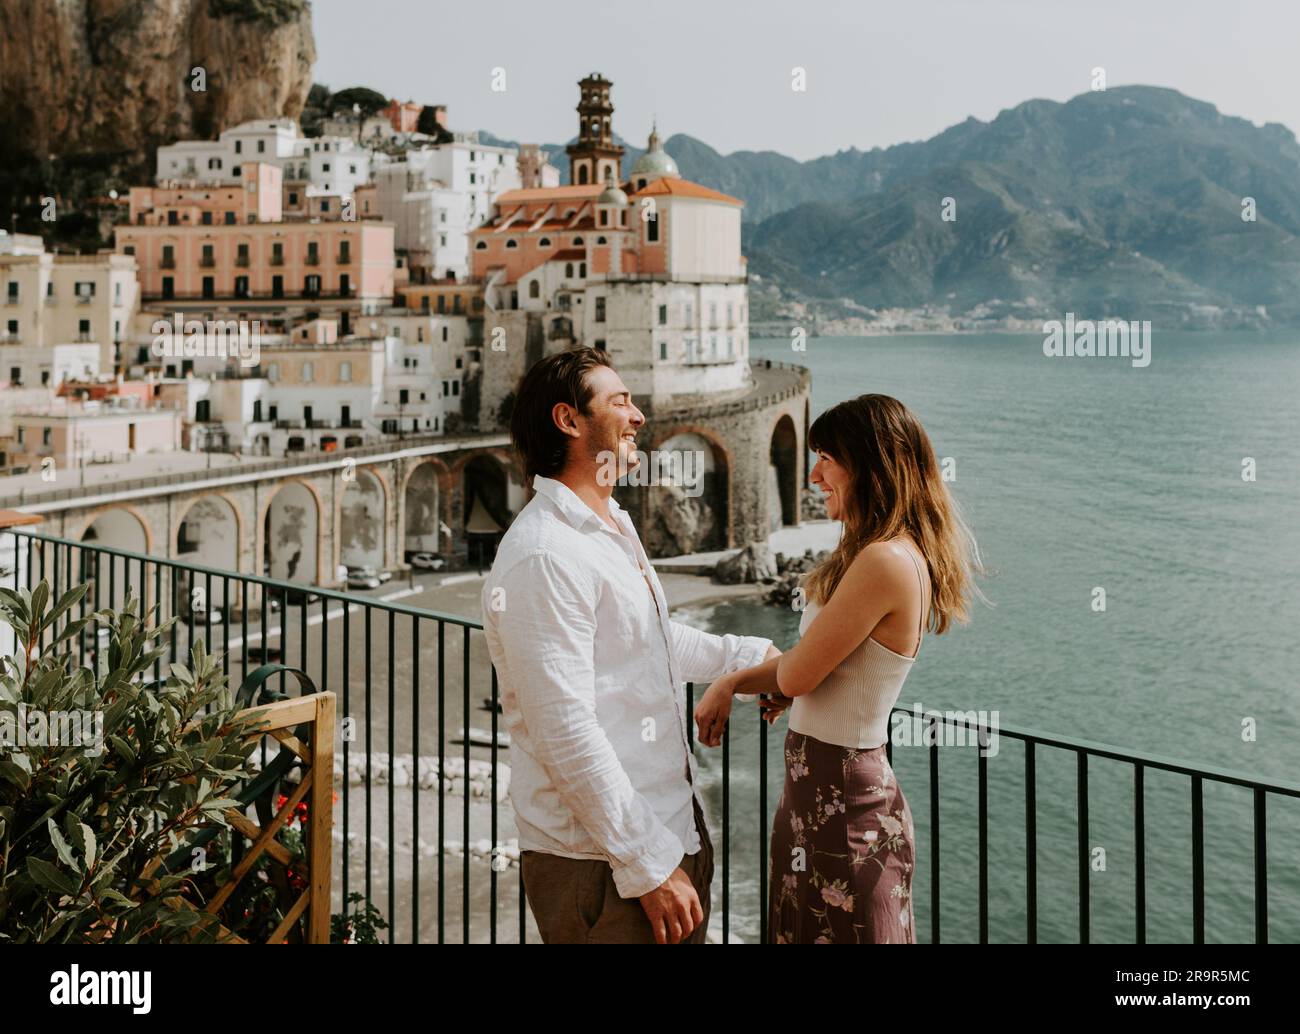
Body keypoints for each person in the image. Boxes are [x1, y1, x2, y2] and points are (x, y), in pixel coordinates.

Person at [482, 347, 780, 944]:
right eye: (619, 401)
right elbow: (563, 728)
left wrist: (756, 663)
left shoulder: (609, 522)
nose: (639, 415)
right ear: (569, 421)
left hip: (670, 833)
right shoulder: (544, 555)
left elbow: (650, 642)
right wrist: (646, 864)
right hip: (604, 864)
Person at [694, 394, 983, 943]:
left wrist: (729, 682)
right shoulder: (878, 552)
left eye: (827, 457)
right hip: (822, 802)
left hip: (844, 810)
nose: (813, 473)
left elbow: (800, 673)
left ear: (872, 466)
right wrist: (792, 685)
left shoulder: (883, 561)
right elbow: (824, 671)